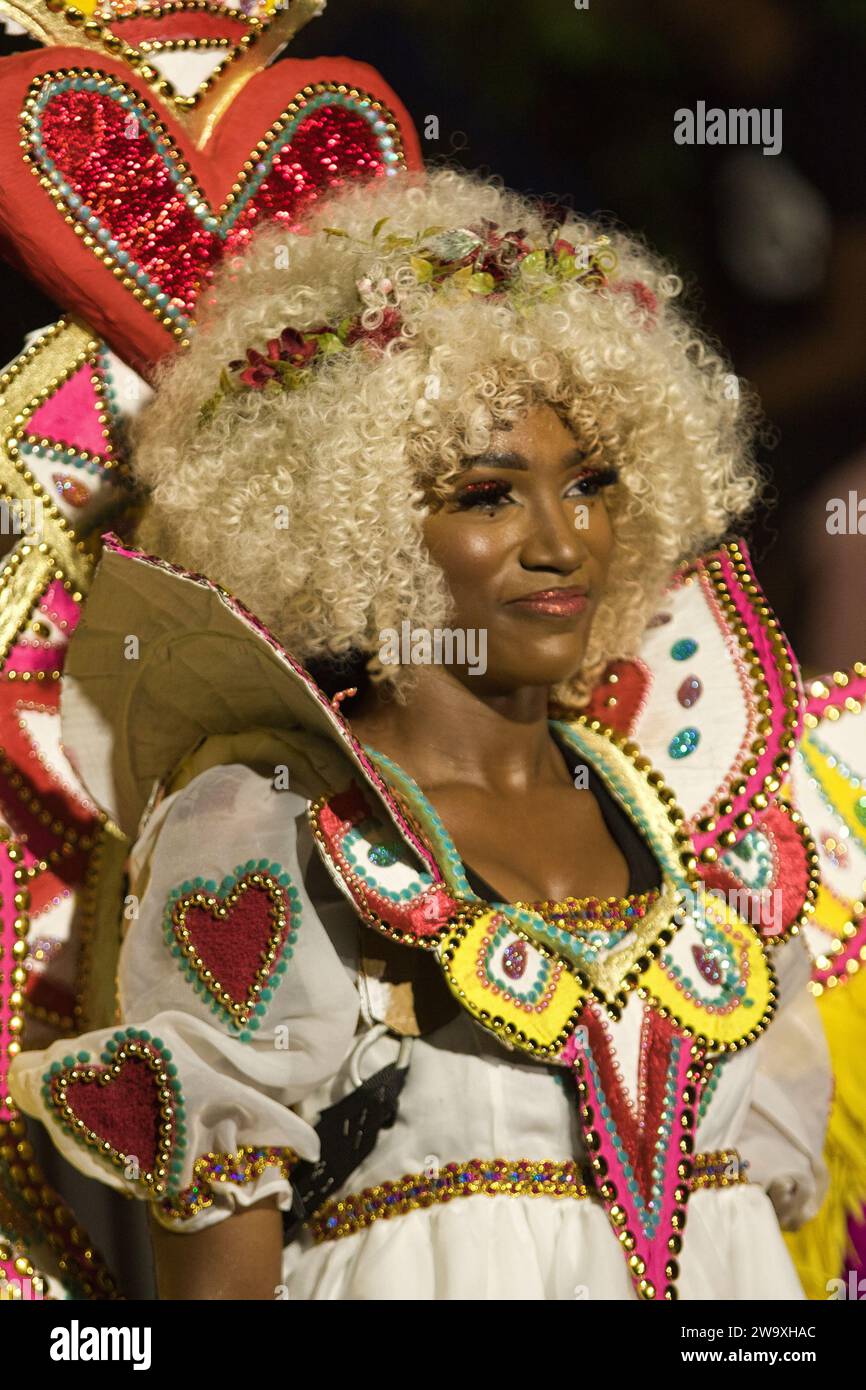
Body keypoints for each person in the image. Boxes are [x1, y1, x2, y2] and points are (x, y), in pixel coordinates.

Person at [7, 167, 834, 1301]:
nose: (561, 540)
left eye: (589, 482)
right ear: (356, 524)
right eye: (487, 495)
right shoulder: (273, 822)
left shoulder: (710, 823)